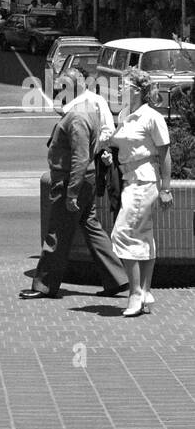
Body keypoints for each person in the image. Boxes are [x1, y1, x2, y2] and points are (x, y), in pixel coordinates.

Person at [21, 59, 127, 300]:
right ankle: (118, 278)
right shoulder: (85, 108)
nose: (57, 92)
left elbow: (80, 158)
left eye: (61, 87)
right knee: (91, 227)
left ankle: (45, 285)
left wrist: (70, 193)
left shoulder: (78, 116)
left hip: (71, 180)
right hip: (81, 180)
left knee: (57, 233)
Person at [96, 70, 173, 318]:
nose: (120, 89)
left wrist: (166, 188)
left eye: (125, 85)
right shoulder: (125, 115)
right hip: (129, 178)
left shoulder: (151, 117)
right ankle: (146, 291)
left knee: (122, 232)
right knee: (142, 235)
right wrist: (110, 155)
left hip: (144, 180)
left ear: (139, 90)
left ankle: (135, 293)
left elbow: (164, 154)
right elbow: (124, 145)